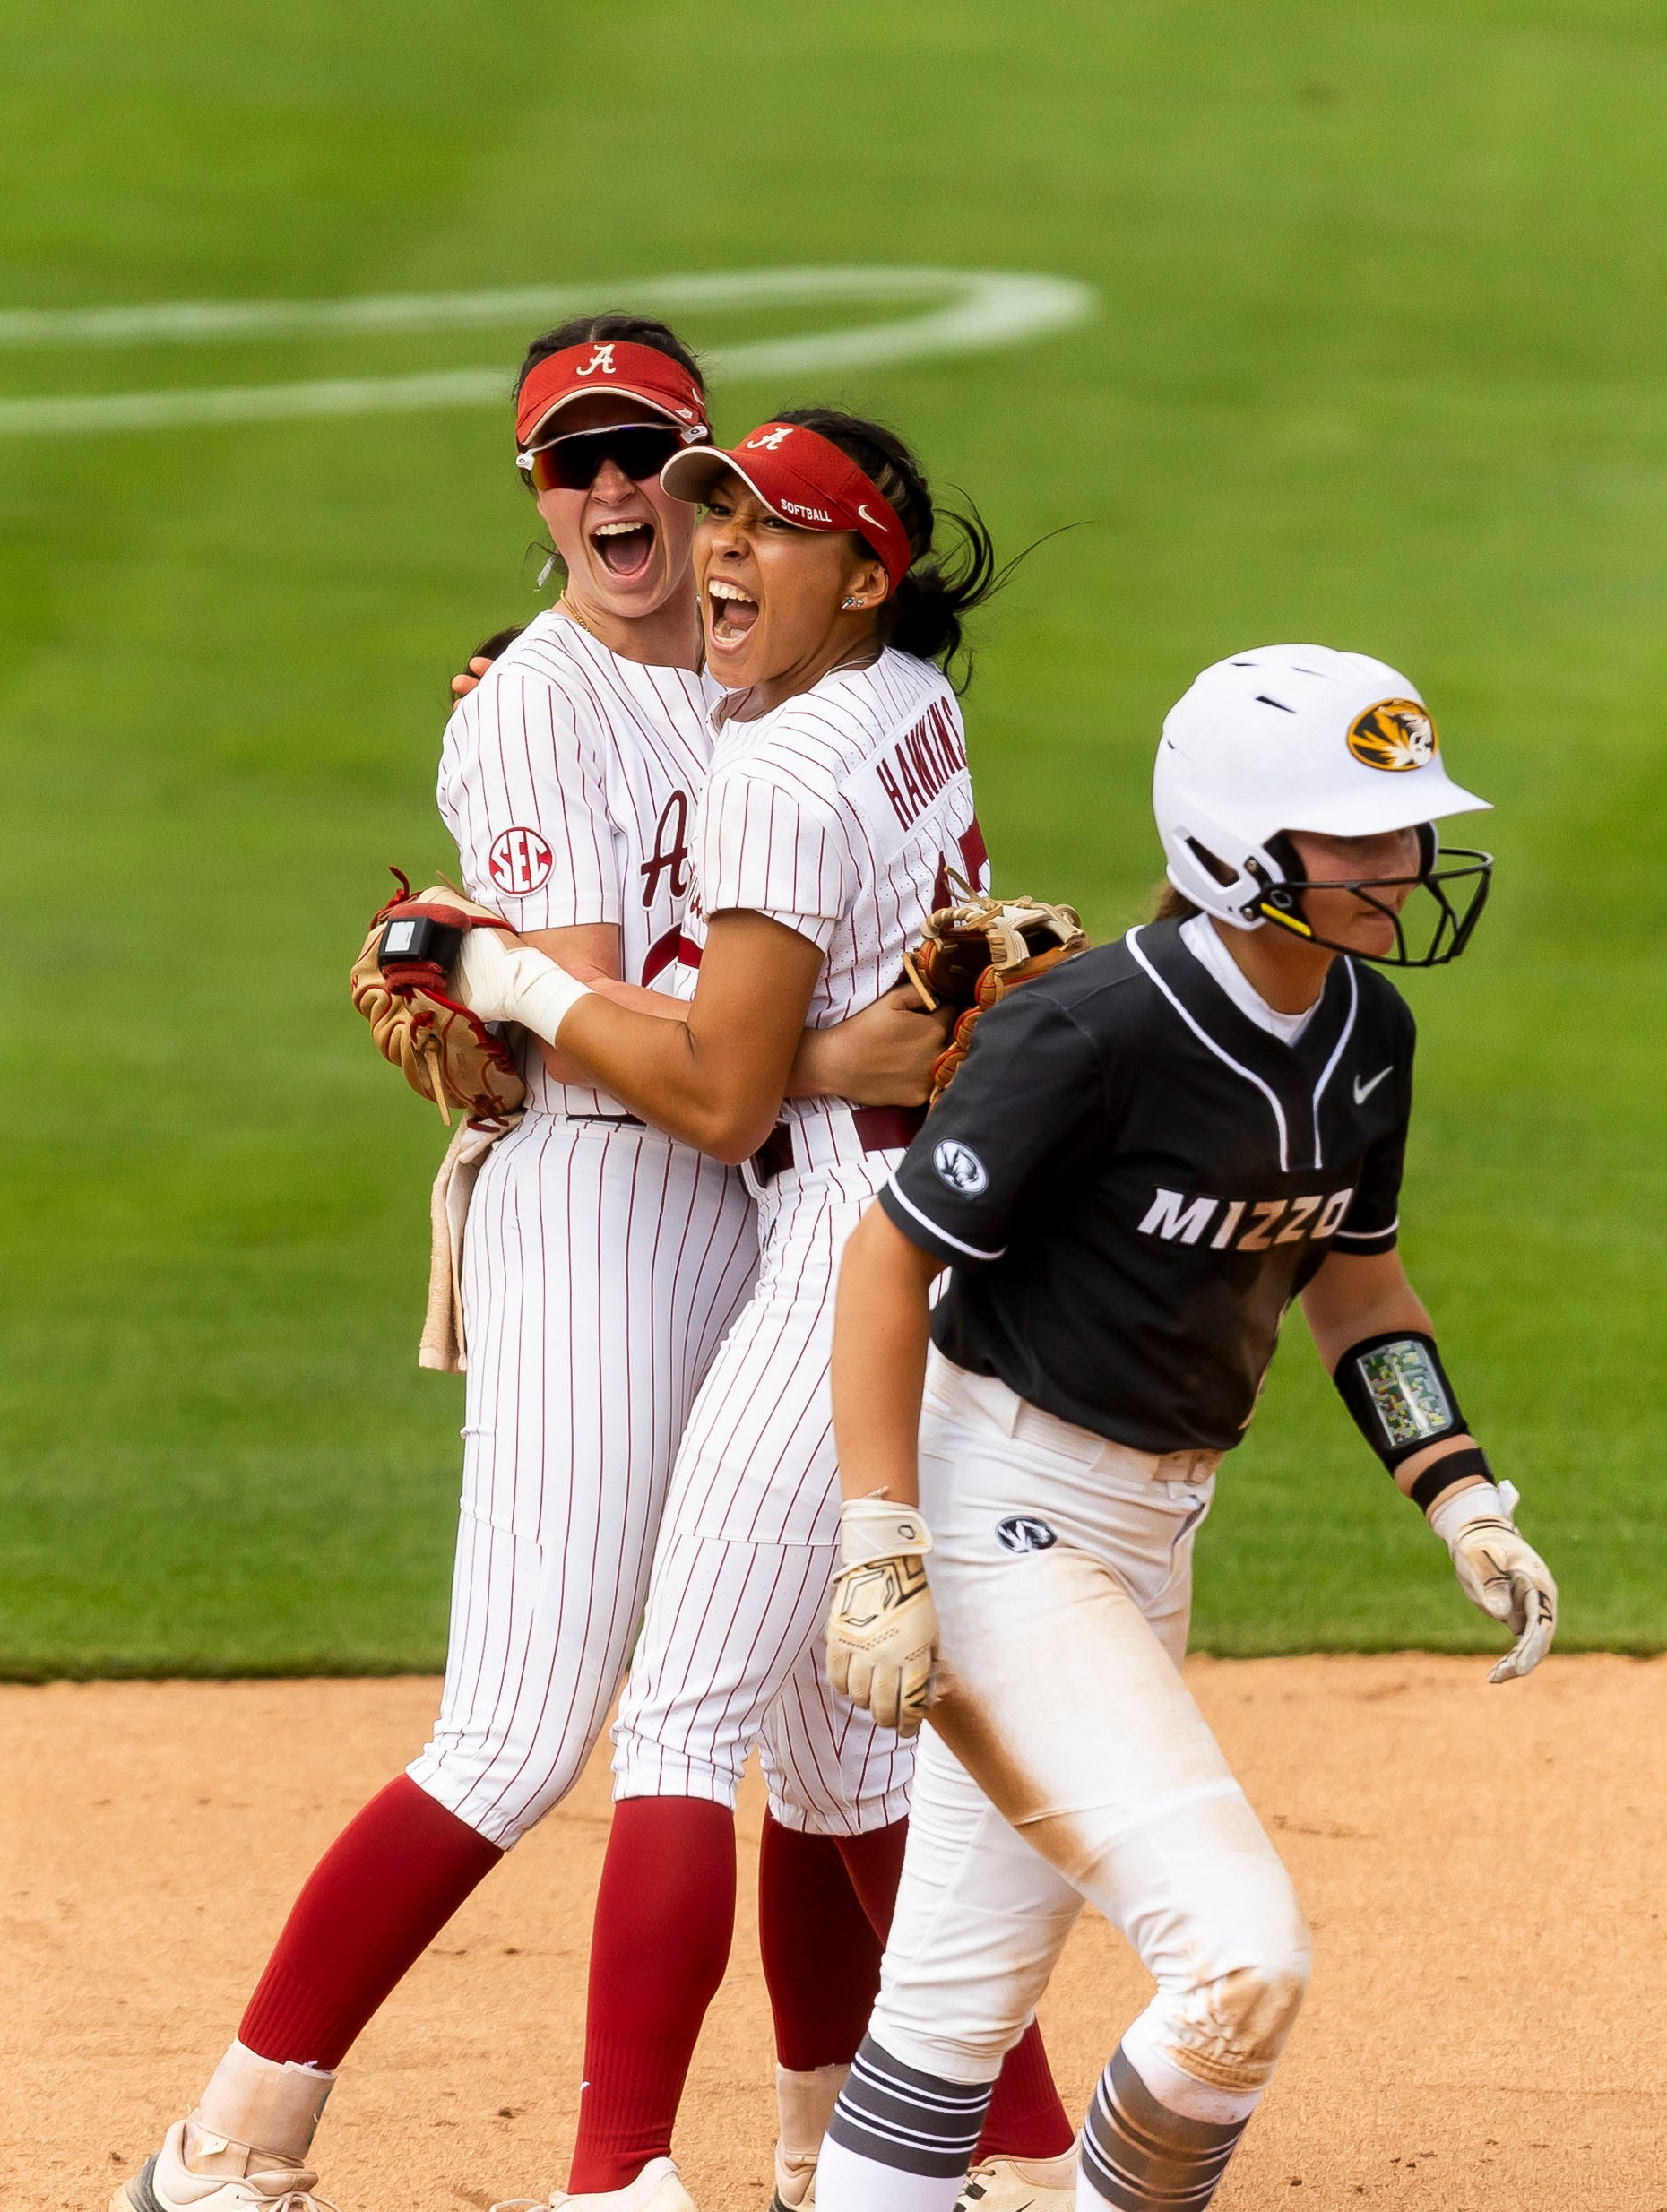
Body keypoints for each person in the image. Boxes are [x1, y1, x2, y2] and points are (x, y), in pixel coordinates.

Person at [109, 317, 950, 2212]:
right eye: (570, 463)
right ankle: (231, 2146)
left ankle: (839, 2148)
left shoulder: (761, 664)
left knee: (825, 1711)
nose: (610, 493)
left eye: (643, 452)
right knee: (519, 1722)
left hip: (759, 1198)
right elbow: (599, 1023)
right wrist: (835, 1058)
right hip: (601, 1198)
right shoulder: (533, 704)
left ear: (709, 471)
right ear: (534, 496)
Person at [809, 646, 1560, 2212]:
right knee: (1242, 1966)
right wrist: (881, 1543)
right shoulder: (1088, 1033)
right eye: (1355, 837)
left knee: (947, 2018)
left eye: (1407, 830)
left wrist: (1462, 1493)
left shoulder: (1366, 1034)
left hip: (1147, 1537)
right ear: (1235, 846)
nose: (1400, 866)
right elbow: (886, 1262)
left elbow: (1358, 1284)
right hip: (1000, 1508)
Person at [447, 410, 1077, 2212]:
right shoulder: (911, 709)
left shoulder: (780, 770)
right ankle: (998, 2154)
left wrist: (507, 972)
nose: (717, 549)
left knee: (680, 1726)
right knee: (839, 1742)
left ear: (864, 576)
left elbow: (722, 1099)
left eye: (768, 529)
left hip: (840, 1246)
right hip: (950, 1218)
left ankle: (617, 2178)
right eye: (710, 508)